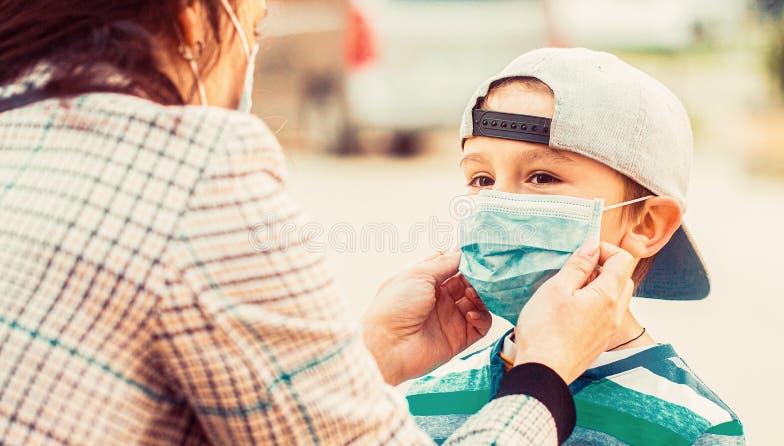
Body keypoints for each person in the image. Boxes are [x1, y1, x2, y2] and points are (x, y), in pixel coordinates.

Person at [0, 1, 638, 445]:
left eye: (543, 178)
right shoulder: (192, 168)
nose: (251, 48)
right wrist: (545, 375)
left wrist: (369, 359)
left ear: (649, 224)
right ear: (195, 17)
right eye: (255, 21)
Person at [404, 48, 745, 445]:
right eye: (482, 179)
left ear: (648, 224)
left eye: (543, 177)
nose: (499, 205)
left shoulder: (692, 429)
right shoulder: (420, 395)